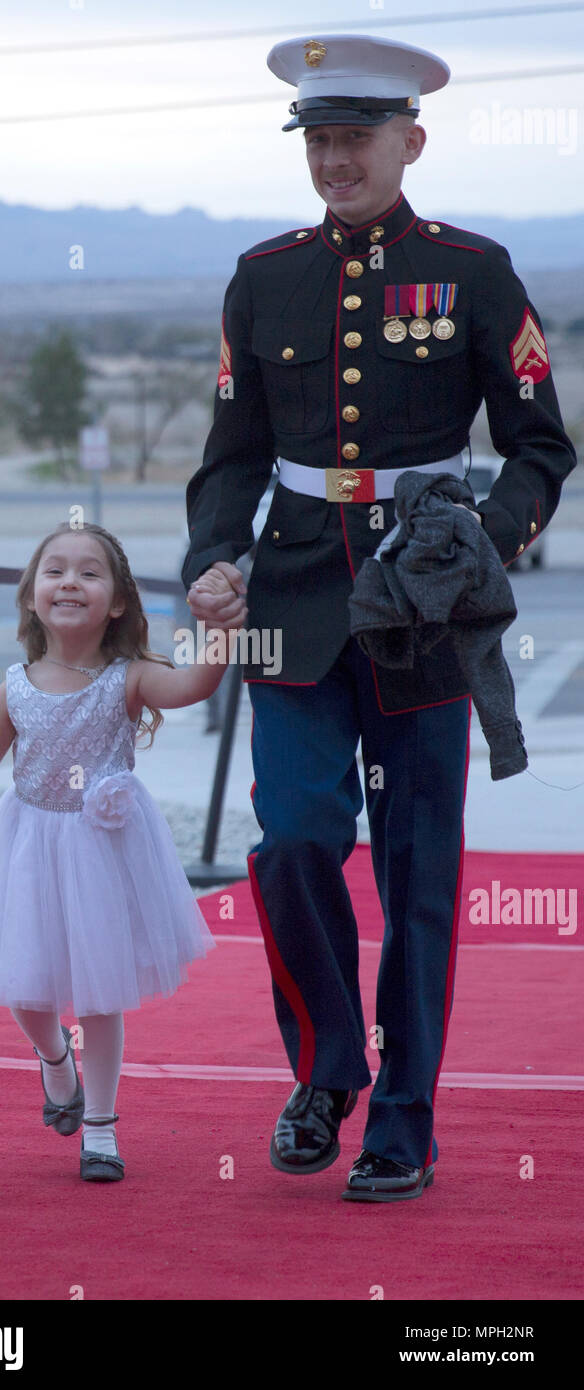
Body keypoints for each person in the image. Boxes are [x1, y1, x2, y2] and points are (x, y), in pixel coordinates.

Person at [182, 34, 577, 1201]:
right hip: (295, 601)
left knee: (417, 872)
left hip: (424, 613)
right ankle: (326, 1070)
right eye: (318, 139)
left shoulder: (474, 270)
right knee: (293, 838)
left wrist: (485, 542)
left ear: (411, 139)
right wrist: (211, 556)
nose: (335, 158)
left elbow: (540, 445)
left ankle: (404, 1117)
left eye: (356, 137)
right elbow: (230, 457)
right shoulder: (263, 276)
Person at [0, 522, 244, 1183]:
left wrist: (217, 627)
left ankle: (102, 1130)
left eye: (88, 572)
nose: (69, 581)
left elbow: (194, 685)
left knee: (99, 993)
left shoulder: (128, 677)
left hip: (102, 854)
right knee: (26, 986)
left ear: (116, 601)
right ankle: (55, 1060)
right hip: (28, 846)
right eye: (54, 570)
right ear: (30, 595)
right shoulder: (15, 687)